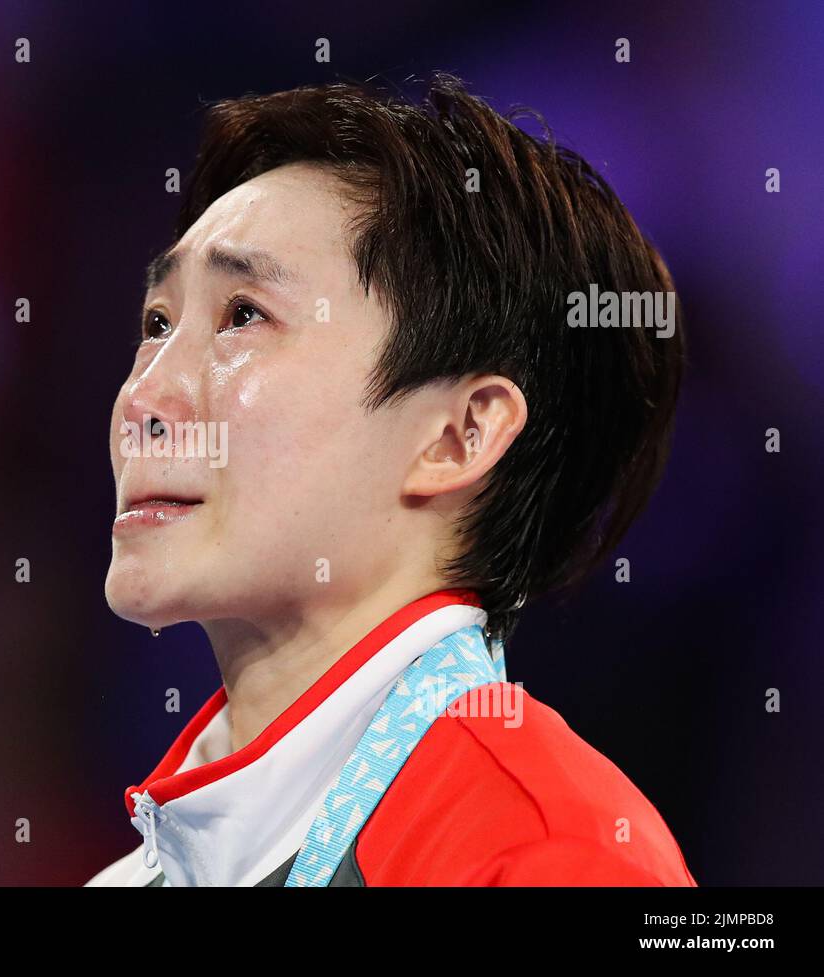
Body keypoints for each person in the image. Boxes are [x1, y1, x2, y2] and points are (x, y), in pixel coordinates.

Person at [88, 74, 695, 886]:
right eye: (157, 325)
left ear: (457, 435)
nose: (143, 398)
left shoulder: (549, 852)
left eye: (243, 315)